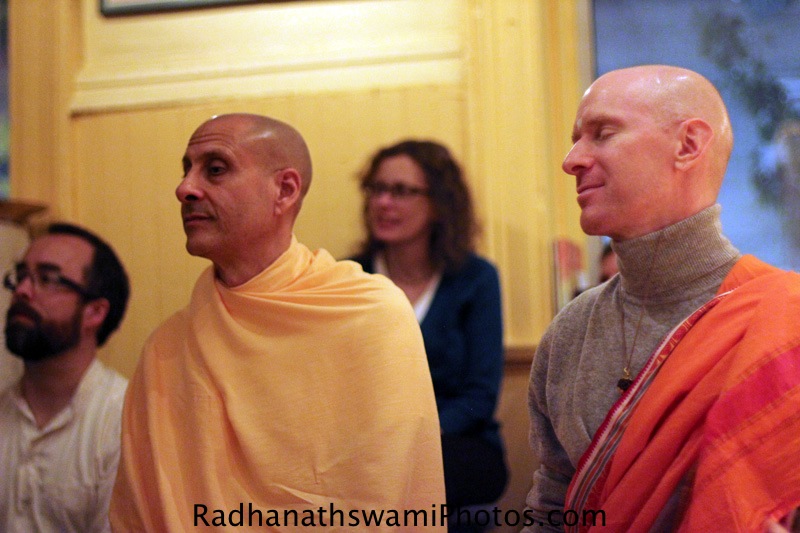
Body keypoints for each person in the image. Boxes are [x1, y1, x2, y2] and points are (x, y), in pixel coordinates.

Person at [110, 114, 445, 531]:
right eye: (186, 169)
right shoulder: (166, 348)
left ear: (284, 190)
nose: (185, 189)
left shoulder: (368, 313)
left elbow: (385, 495)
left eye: (215, 169)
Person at [524, 65, 800, 532]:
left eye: (602, 133)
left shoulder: (786, 321)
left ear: (689, 145)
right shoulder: (568, 332)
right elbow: (552, 505)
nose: (572, 159)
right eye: (575, 139)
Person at [349, 140, 508, 518]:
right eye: (377, 188)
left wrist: (409, 438)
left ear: (439, 203)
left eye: (401, 191)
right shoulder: (348, 278)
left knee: (429, 477)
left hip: (454, 441)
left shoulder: (476, 279)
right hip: (365, 446)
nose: (383, 203)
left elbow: (479, 398)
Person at [0, 222, 130, 532]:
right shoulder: (4, 410)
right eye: (21, 276)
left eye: (48, 278)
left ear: (94, 313)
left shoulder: (124, 421)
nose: (22, 291)